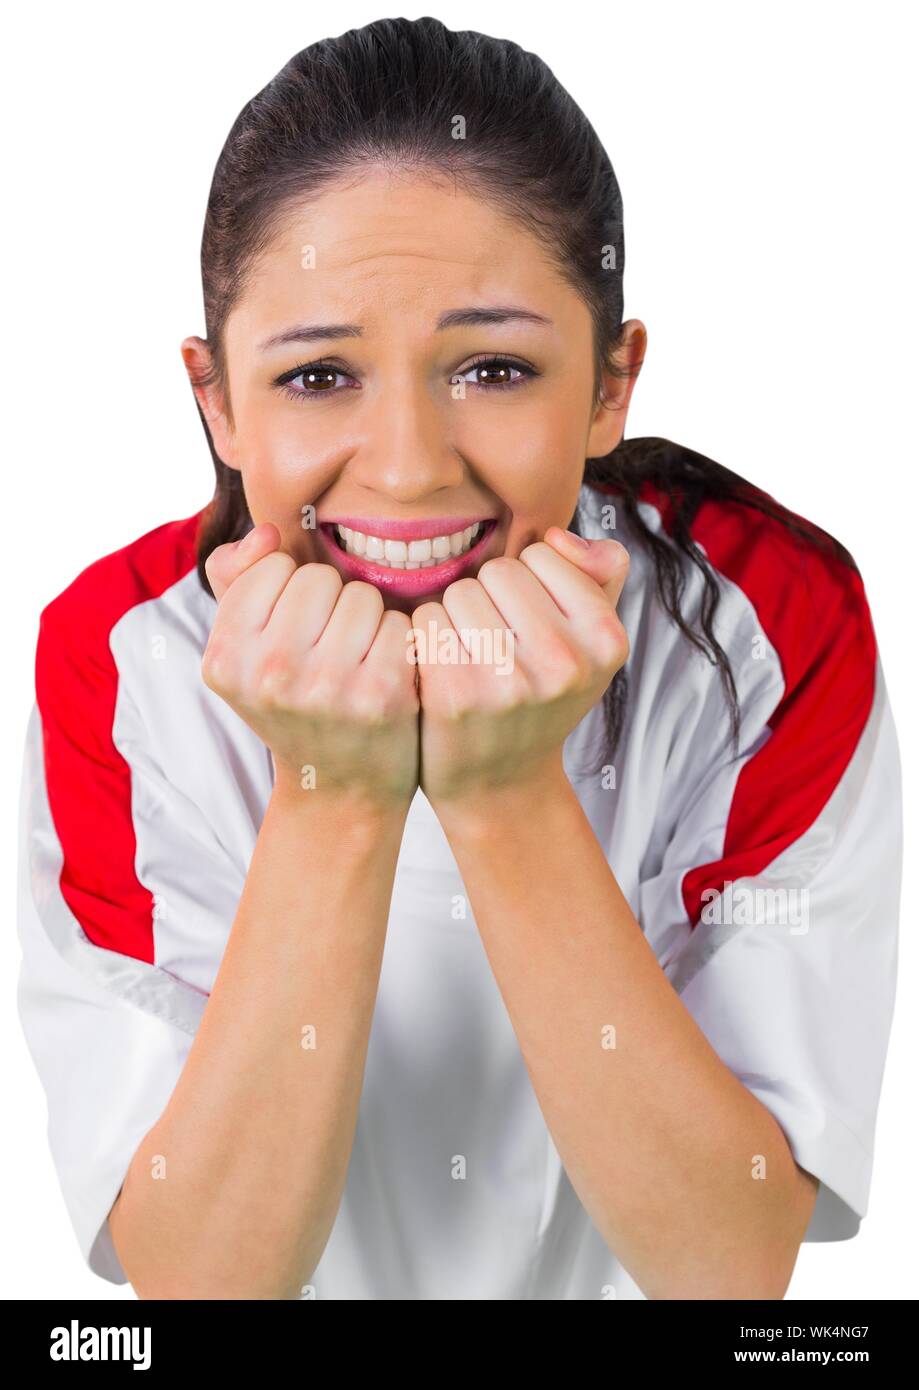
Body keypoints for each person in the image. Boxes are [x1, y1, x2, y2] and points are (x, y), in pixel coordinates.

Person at [16, 17, 901, 1300]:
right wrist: (335, 796)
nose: (409, 465)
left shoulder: (770, 621)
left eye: (493, 366)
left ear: (610, 381)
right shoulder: (112, 658)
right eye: (320, 375)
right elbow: (198, 1285)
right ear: (216, 402)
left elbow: (728, 1267)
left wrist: (503, 794)